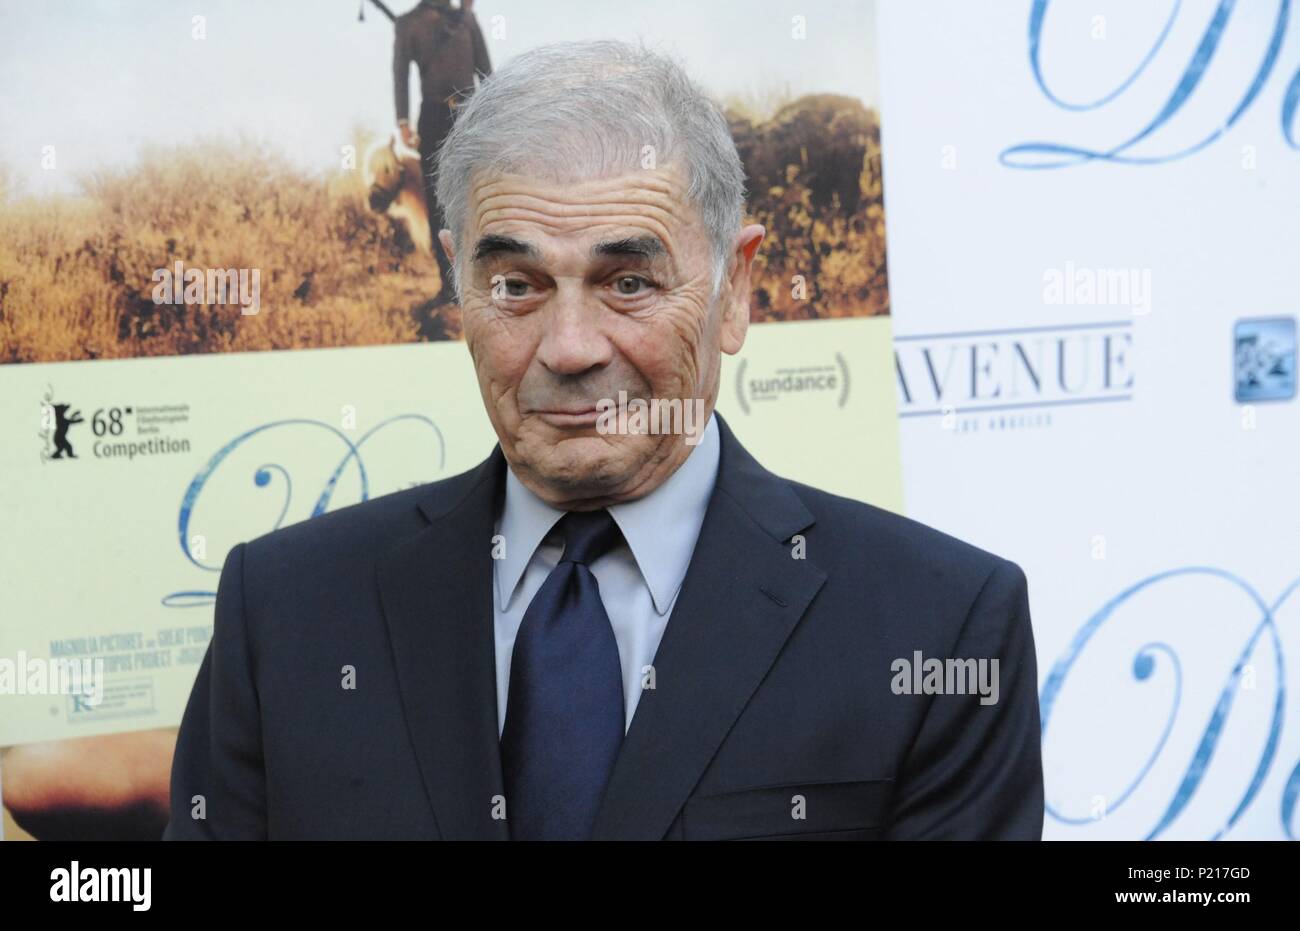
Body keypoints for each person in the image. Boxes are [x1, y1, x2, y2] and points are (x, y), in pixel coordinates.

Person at [164, 39, 1043, 841]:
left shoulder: (942, 628)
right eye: (515, 284)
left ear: (736, 290)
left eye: (628, 281)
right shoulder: (282, 613)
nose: (570, 347)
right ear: (456, 288)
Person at [393, 0, 491, 310]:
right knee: (437, 202)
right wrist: (403, 122)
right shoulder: (409, 23)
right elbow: (400, 75)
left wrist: (493, 118)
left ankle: (481, 278)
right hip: (433, 116)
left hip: (470, 114)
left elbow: (486, 72)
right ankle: (449, 288)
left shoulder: (466, 19)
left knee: (475, 196)